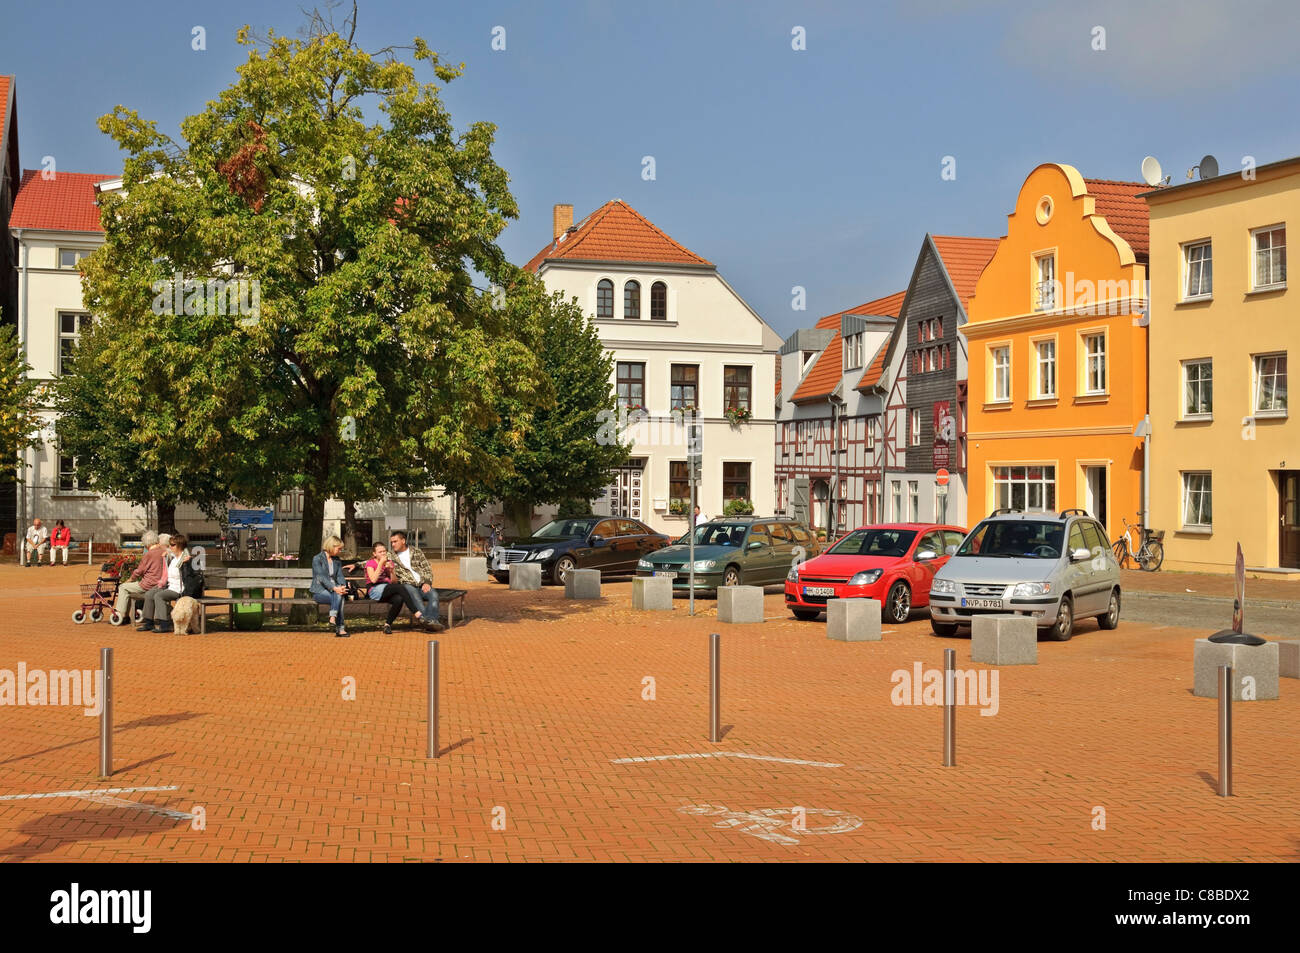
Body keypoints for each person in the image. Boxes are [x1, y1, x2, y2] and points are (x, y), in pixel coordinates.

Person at [140, 534, 203, 633]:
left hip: (179, 589)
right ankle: (148, 623)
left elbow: (193, 577)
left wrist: (188, 563)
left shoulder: (187, 559)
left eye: (173, 545)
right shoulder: (173, 559)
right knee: (149, 594)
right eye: (170, 545)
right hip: (170, 586)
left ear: (180, 546)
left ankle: (164, 625)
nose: (170, 547)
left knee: (159, 596)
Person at [365, 541, 425, 634]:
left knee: (399, 599)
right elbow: (373, 580)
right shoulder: (370, 563)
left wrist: (391, 570)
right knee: (400, 588)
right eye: (380, 552)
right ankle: (417, 613)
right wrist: (381, 564)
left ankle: (387, 625)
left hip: (387, 588)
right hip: (374, 590)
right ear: (374, 554)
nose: (383, 553)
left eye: (384, 551)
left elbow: (394, 582)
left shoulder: (389, 562)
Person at [389, 530, 442, 631]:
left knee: (433, 595)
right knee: (415, 596)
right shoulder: (391, 556)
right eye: (392, 542)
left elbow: (427, 568)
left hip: (422, 584)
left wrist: (427, 582)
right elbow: (372, 561)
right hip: (407, 585)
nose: (393, 544)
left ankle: (429, 622)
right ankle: (429, 622)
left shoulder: (416, 552)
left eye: (395, 541)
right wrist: (356, 564)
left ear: (403, 540)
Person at [116, 531, 166, 623]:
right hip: (160, 584)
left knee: (123, 587)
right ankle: (126, 615)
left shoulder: (148, 554)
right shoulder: (163, 552)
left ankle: (121, 615)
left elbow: (139, 571)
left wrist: (129, 579)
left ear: (146, 544)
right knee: (128, 589)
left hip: (148, 585)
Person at [311, 535, 351, 637]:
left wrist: (342, 586)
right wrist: (335, 588)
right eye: (339, 548)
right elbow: (321, 577)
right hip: (320, 591)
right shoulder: (317, 559)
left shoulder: (336, 560)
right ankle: (340, 627)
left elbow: (340, 576)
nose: (340, 551)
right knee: (338, 596)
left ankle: (333, 618)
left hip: (335, 590)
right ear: (331, 546)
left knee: (338, 595)